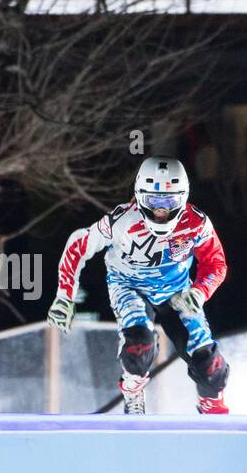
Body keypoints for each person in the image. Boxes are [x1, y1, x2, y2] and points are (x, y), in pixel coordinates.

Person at [46, 157, 230, 414]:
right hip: (130, 287)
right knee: (139, 346)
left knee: (210, 367)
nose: (161, 212)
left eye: (170, 202)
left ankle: (212, 403)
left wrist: (200, 292)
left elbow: (216, 263)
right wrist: (65, 295)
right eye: (154, 202)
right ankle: (132, 387)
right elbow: (79, 245)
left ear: (184, 197)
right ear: (139, 196)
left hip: (177, 293)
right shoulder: (121, 220)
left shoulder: (197, 223)